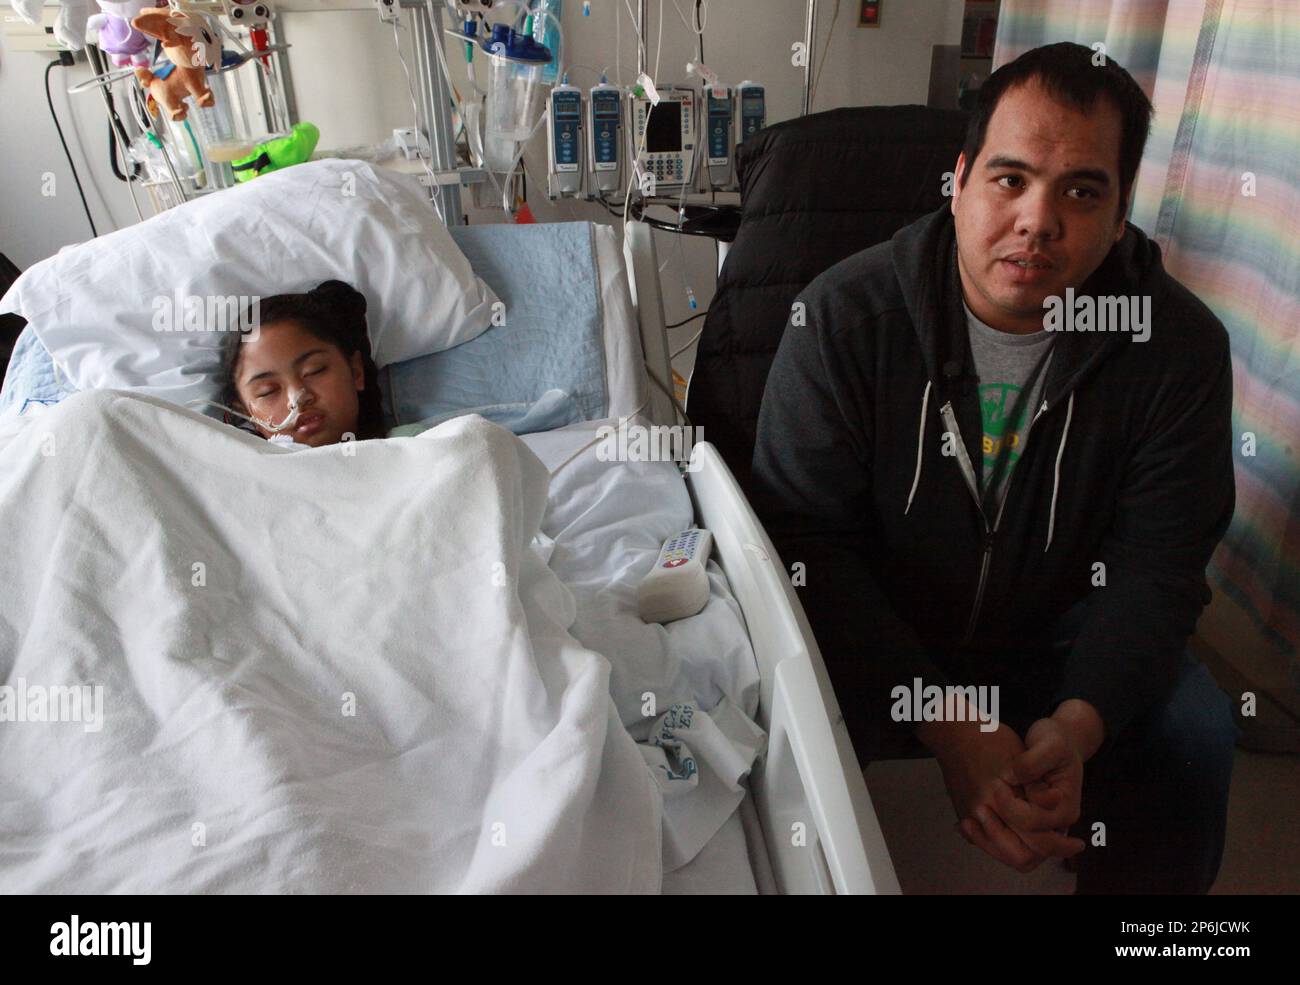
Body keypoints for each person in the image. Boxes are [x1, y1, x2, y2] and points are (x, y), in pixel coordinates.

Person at [749, 42, 1237, 894]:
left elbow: (1157, 568)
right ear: (960, 180)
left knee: (1194, 730)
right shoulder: (840, 321)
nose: (1038, 220)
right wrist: (946, 720)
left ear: (1122, 215)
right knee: (769, 737)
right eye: (1010, 179)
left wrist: (1079, 724)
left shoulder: (1178, 348)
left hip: (1058, 637)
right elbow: (807, 552)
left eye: (1082, 191)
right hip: (882, 632)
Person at [222, 280, 386, 448]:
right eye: (268, 391)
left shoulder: (412, 448)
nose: (297, 398)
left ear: (355, 371)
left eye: (314, 371)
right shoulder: (235, 472)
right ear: (246, 414)